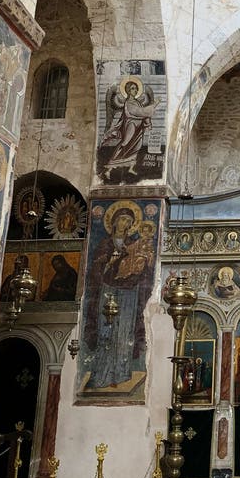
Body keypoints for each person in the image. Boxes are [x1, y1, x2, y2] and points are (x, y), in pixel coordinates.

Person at [82, 203, 154, 390]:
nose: (125, 224)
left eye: (129, 221)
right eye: (122, 219)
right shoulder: (104, 243)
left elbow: (143, 266)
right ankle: (101, 374)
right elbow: (96, 267)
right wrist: (109, 262)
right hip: (107, 289)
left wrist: (143, 262)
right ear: (113, 221)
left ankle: (121, 374)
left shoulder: (133, 244)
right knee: (106, 329)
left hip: (129, 291)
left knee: (124, 331)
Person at [100, 79, 160, 180]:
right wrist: (154, 104)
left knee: (137, 145)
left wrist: (147, 123)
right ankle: (108, 169)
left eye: (136, 88)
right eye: (133, 88)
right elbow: (140, 112)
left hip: (139, 127)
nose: (135, 90)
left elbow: (144, 115)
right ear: (128, 91)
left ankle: (131, 167)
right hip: (131, 125)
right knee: (125, 143)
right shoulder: (128, 103)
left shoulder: (137, 102)